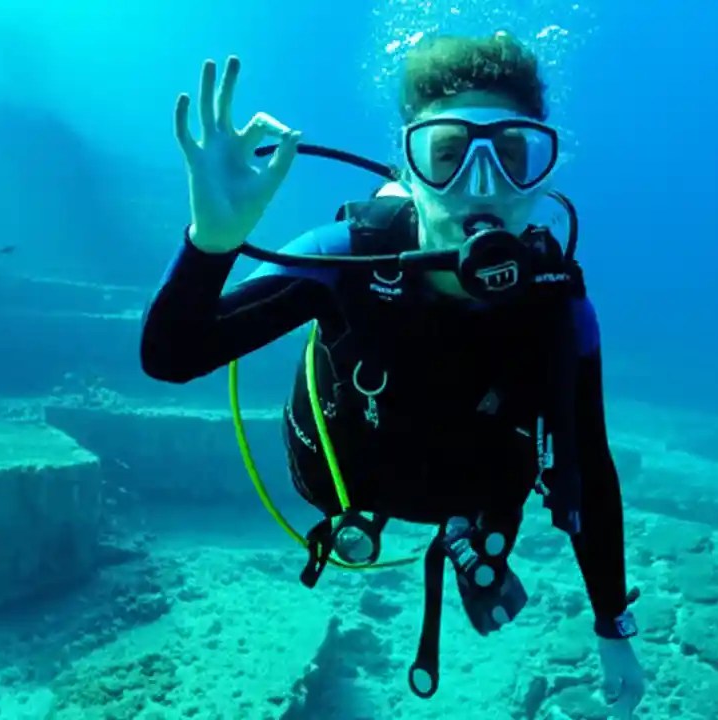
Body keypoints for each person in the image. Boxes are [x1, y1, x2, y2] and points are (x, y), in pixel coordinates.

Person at [140, 34, 645, 718]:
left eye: (513, 155)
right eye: (447, 154)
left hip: (476, 487)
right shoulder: (345, 257)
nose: (483, 183)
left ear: (543, 174)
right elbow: (172, 356)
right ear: (407, 167)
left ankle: (474, 542)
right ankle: (463, 540)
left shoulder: (557, 304)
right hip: (350, 481)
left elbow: (591, 464)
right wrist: (212, 244)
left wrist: (613, 624)